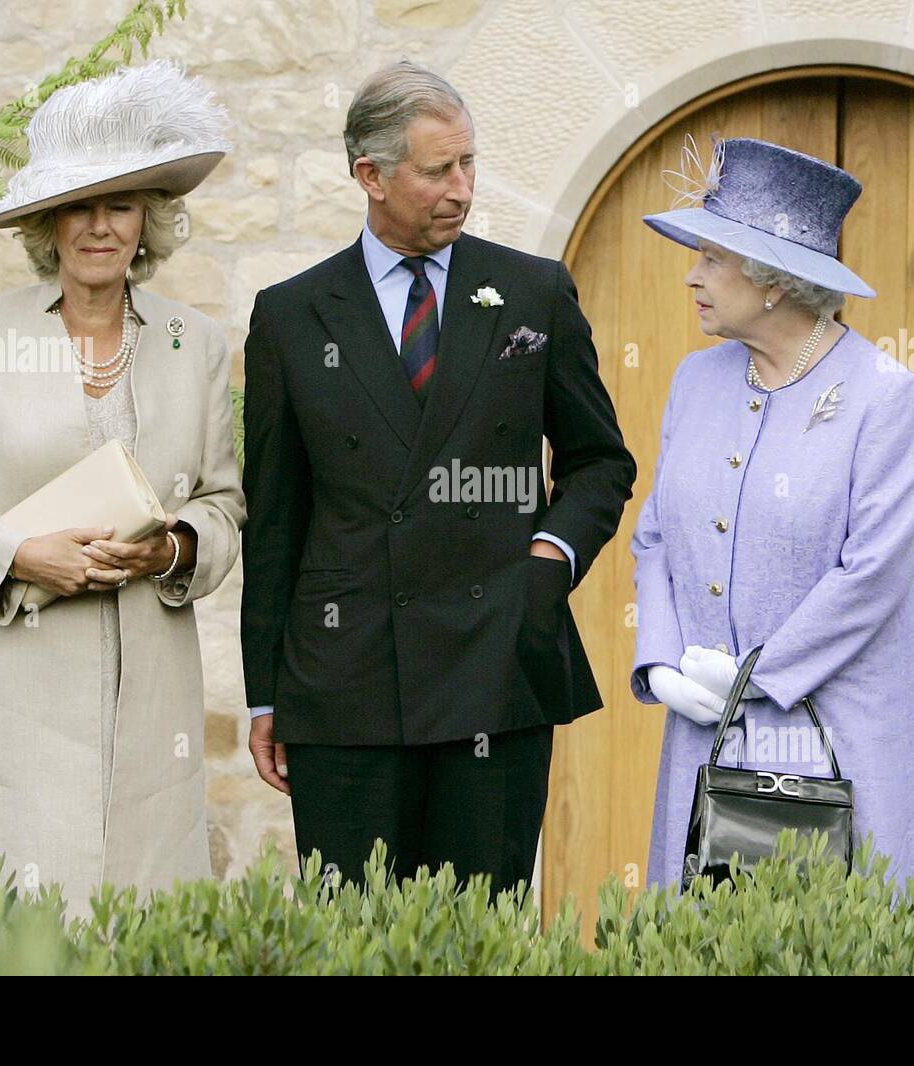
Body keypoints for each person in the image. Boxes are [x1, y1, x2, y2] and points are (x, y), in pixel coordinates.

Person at [241, 61, 636, 898]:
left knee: (481, 937)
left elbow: (602, 461)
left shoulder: (533, 292)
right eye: (437, 170)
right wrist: (264, 694)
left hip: (495, 669)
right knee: (352, 941)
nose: (461, 188)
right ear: (370, 177)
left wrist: (548, 559)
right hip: (343, 685)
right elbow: (274, 517)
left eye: (468, 164)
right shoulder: (291, 314)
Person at [0, 59, 246, 920]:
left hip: (150, 695)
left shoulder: (195, 344)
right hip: (13, 681)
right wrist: (26, 554)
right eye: (80, 205)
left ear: (151, 221)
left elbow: (222, 503)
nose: (101, 226)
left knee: (139, 920)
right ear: (50, 222)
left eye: (122, 204)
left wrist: (171, 548)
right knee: (9, 925)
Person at [630, 135, 914, 891]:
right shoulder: (695, 380)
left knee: (825, 946)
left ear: (773, 282)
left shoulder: (886, 398)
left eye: (711, 258)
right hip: (705, 734)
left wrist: (755, 676)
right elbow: (655, 536)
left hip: (834, 740)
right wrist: (664, 662)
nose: (690, 276)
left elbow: (871, 574)